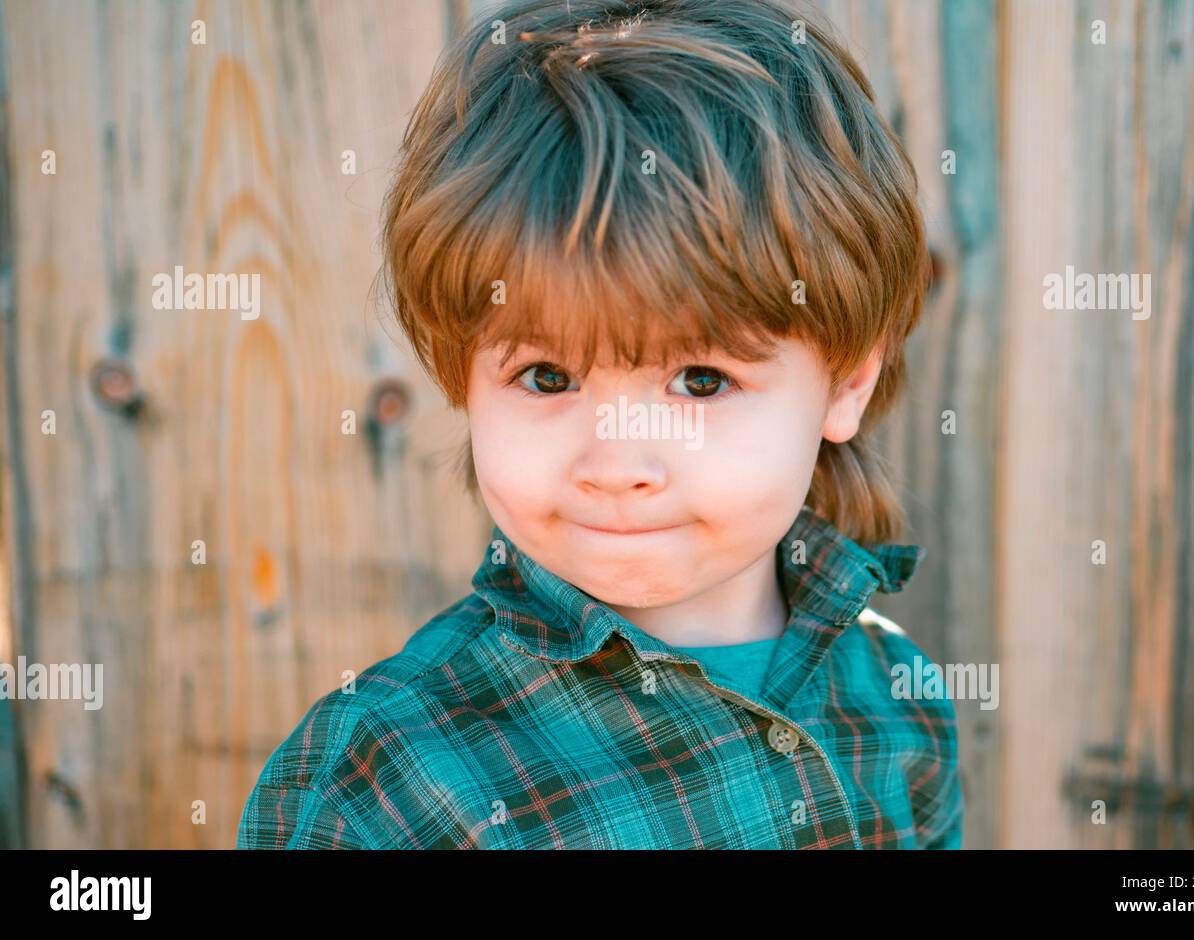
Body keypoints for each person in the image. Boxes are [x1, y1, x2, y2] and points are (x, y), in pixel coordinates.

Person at [237, 0, 961, 849]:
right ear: (460, 377)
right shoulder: (386, 775)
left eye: (701, 380)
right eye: (547, 377)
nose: (615, 464)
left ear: (848, 384)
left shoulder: (894, 693)